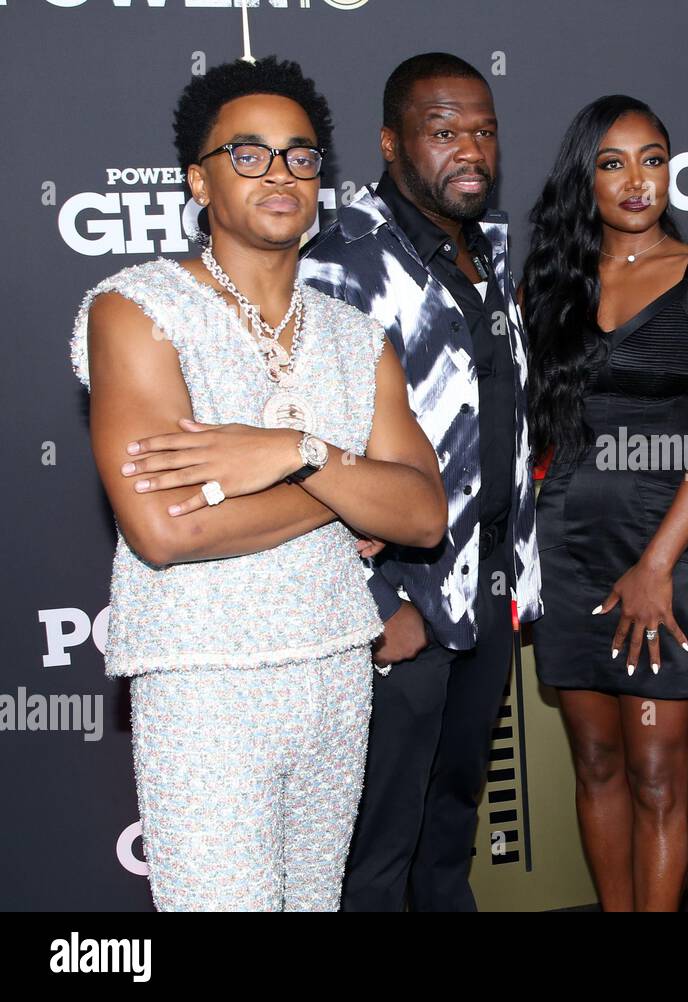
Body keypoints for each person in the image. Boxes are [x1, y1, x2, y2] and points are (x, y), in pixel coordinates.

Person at [69, 56, 447, 911]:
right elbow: (167, 530)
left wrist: (295, 451)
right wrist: (345, 485)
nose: (280, 173)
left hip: (339, 672)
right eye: (249, 154)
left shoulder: (356, 336)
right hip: (205, 685)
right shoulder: (138, 309)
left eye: (300, 155)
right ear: (198, 181)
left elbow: (423, 514)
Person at [299, 52, 541, 912]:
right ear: (392, 143)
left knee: (447, 833)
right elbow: (305, 456)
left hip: (485, 594)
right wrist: (371, 600)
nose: (468, 150)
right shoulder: (342, 263)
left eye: (482, 130)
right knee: (375, 851)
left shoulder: (486, 251)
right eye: (443, 132)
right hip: (402, 601)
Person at [524, 95, 688, 911]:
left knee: (659, 777)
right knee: (595, 764)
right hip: (571, 551)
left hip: (665, 554)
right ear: (584, 176)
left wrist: (658, 564)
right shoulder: (552, 285)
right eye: (613, 162)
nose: (636, 181)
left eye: (653, 159)